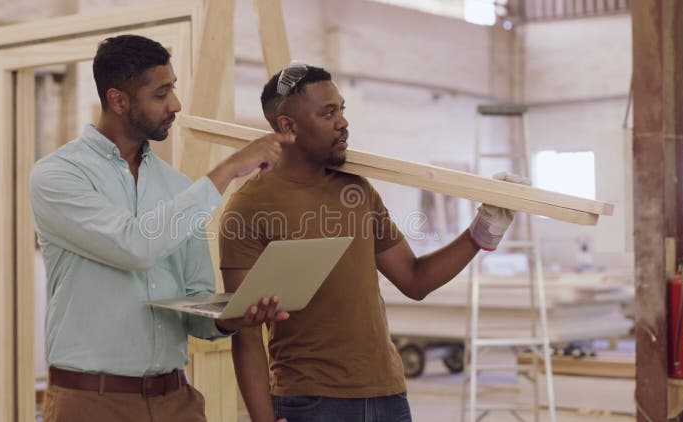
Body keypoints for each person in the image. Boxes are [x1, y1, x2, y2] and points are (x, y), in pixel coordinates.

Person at [218, 62, 527, 422]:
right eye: (328, 113)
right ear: (288, 126)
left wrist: (484, 228)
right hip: (312, 401)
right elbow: (245, 331)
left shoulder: (356, 189)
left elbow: (414, 279)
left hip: (388, 396)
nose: (343, 122)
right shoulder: (249, 206)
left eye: (342, 110)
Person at [30, 34, 293, 422]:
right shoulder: (58, 176)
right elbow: (134, 246)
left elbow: (194, 301)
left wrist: (232, 317)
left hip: (176, 401)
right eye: (161, 94)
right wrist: (229, 168)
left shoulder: (178, 188)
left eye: (174, 89)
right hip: (91, 404)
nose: (176, 105)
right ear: (119, 100)